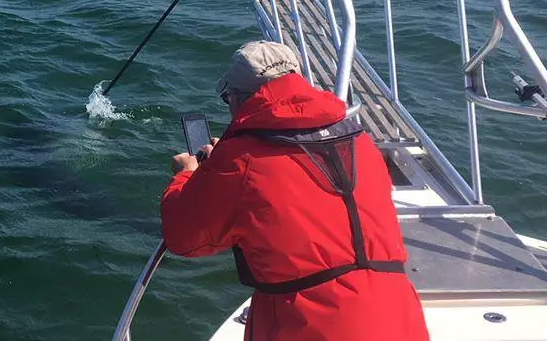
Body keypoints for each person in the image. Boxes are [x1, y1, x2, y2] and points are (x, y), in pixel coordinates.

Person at [161, 41, 429, 341]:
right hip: (401, 320)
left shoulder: (242, 160)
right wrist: (225, 162)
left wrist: (187, 176)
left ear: (237, 98)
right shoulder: (360, 141)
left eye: (228, 99)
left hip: (311, 325)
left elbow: (185, 237)